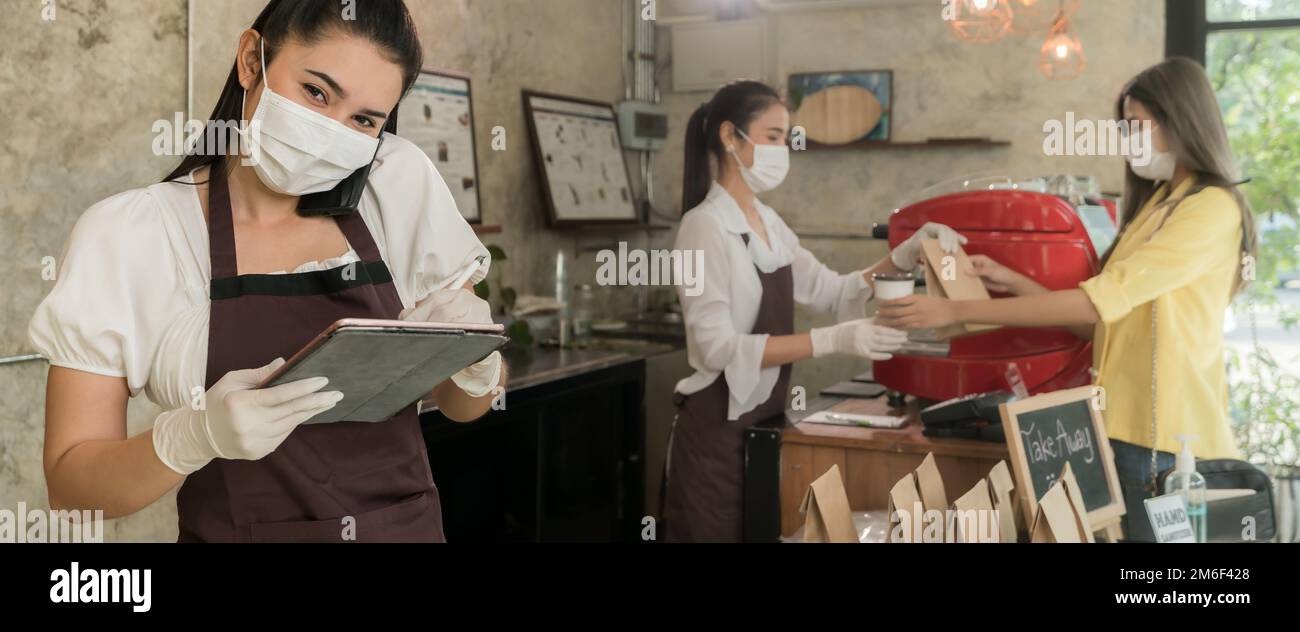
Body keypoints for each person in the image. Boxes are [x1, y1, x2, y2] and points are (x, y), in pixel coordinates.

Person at [31, 0, 503, 542]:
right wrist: (191, 437)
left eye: (364, 120)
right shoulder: (133, 235)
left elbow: (464, 408)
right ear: (251, 61)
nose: (333, 132)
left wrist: (477, 368)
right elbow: (71, 491)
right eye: (316, 93)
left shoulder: (396, 184)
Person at [875, 58, 1257, 541]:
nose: (1128, 139)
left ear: (1181, 119)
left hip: (1168, 438)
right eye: (1125, 128)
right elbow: (1101, 325)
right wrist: (1010, 279)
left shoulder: (1210, 208)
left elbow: (1095, 304)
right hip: (1122, 430)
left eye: (1137, 126)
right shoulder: (1161, 203)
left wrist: (957, 310)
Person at [662, 80, 966, 542]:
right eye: (773, 137)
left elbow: (832, 291)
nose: (784, 150)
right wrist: (832, 340)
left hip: (761, 426)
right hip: (713, 439)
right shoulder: (703, 227)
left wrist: (905, 252)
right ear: (730, 136)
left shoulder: (768, 222)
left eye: (786, 138)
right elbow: (714, 348)